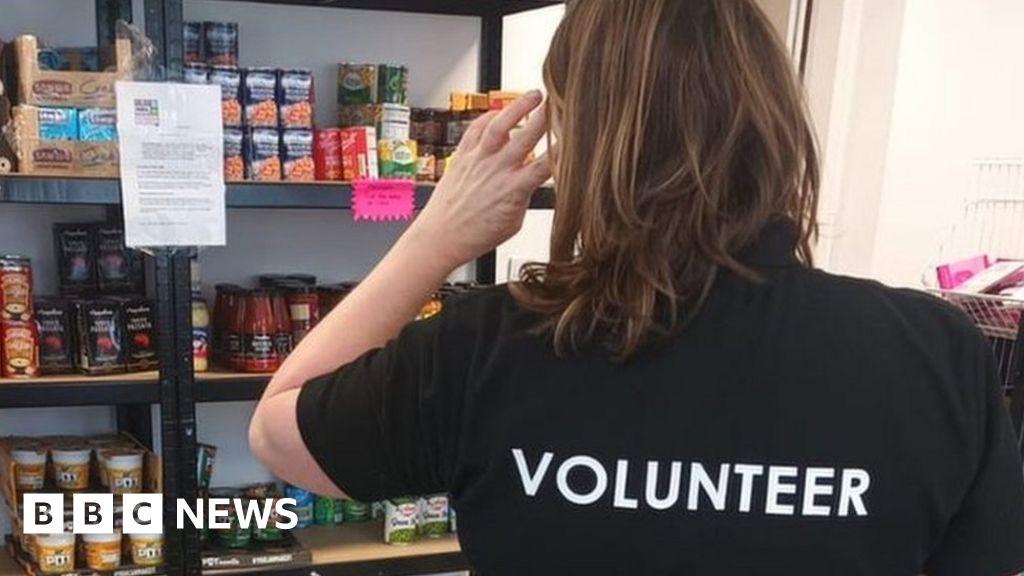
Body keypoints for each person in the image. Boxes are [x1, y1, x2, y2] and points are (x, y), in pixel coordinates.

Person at [249, 1, 1024, 573]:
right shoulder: (933, 352)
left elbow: (277, 433)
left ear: (578, 136)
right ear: (778, 119)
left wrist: (436, 234)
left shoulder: (492, 346)